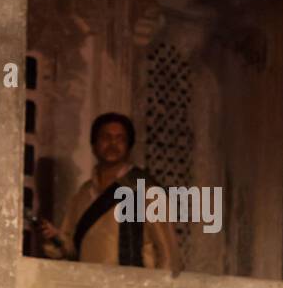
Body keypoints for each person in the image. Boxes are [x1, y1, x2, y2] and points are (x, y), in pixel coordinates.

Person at [38, 112, 180, 271]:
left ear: (129, 146)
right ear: (93, 145)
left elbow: (169, 254)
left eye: (120, 139)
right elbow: (73, 250)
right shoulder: (84, 194)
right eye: (106, 137)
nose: (113, 144)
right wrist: (56, 238)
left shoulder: (146, 189)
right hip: (91, 286)